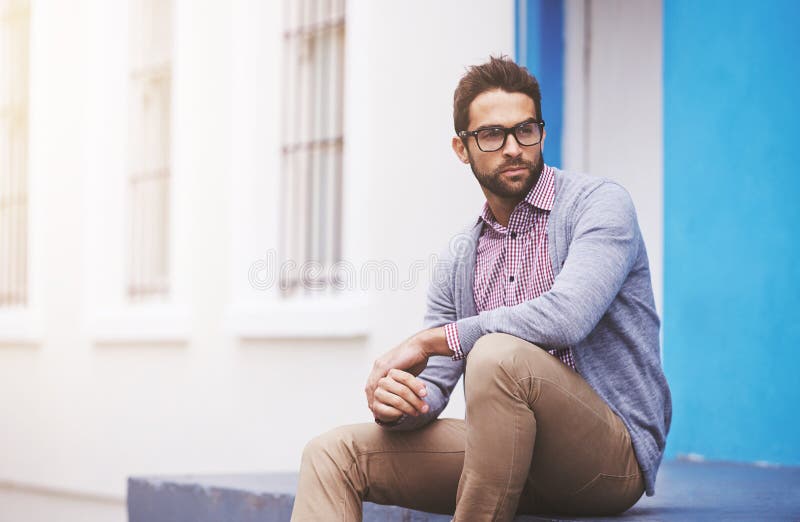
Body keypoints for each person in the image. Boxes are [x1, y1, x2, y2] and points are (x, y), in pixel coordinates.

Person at [290, 56, 671, 522]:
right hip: (506, 456)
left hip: (607, 463)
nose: (513, 147)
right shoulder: (460, 260)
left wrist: (431, 340)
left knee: (495, 354)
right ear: (462, 148)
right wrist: (399, 402)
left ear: (542, 134)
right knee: (331, 454)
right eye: (492, 134)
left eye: (525, 130)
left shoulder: (599, 206)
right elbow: (433, 386)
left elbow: (567, 316)